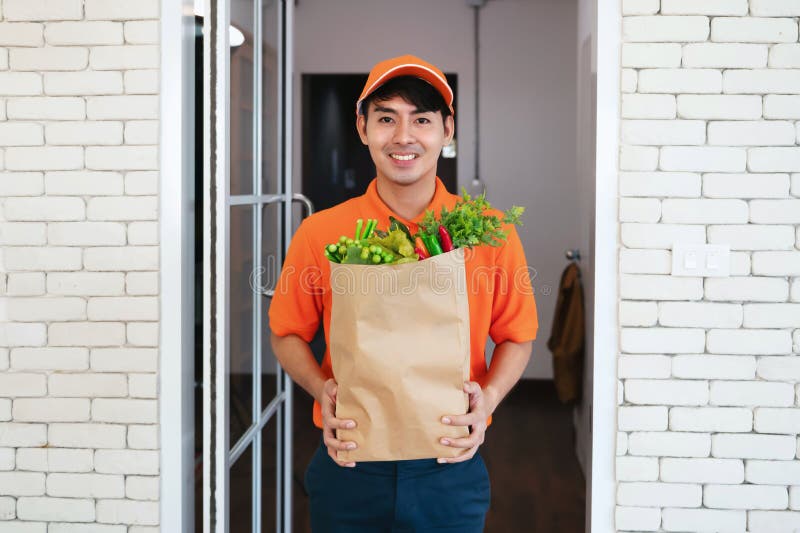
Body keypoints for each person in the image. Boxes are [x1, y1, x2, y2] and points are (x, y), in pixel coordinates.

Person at [268, 54, 538, 532]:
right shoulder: (320, 231)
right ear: (362, 127)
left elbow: (518, 335)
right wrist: (321, 388)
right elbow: (287, 332)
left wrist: (488, 401)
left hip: (450, 464)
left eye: (422, 120)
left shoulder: (490, 232)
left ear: (447, 130)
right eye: (386, 118)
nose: (404, 137)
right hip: (349, 462)